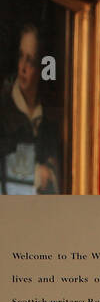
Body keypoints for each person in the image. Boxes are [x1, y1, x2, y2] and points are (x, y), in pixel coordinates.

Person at [0, 23, 60, 194]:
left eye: (31, 61)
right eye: (21, 57)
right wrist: (34, 175)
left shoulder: (49, 122)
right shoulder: (4, 111)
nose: (23, 67)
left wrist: (51, 174)